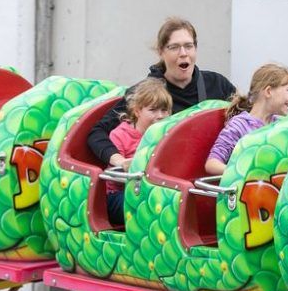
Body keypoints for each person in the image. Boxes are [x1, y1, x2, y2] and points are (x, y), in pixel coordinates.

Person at [87, 17, 236, 166]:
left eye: (188, 46)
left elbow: (245, 122)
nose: (183, 53)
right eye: (174, 47)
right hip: (164, 177)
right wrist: (119, 161)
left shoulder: (218, 84)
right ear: (161, 52)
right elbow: (97, 132)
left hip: (213, 176)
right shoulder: (144, 93)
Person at [101, 79, 172, 226]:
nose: (160, 115)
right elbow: (114, 178)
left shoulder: (166, 135)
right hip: (119, 194)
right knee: (148, 204)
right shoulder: (120, 135)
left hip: (153, 191)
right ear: (137, 111)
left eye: (164, 110)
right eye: (153, 110)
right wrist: (128, 166)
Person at [204, 63, 288, 175]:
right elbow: (212, 164)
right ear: (268, 91)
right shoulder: (240, 125)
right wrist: (245, 174)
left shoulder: (281, 125)